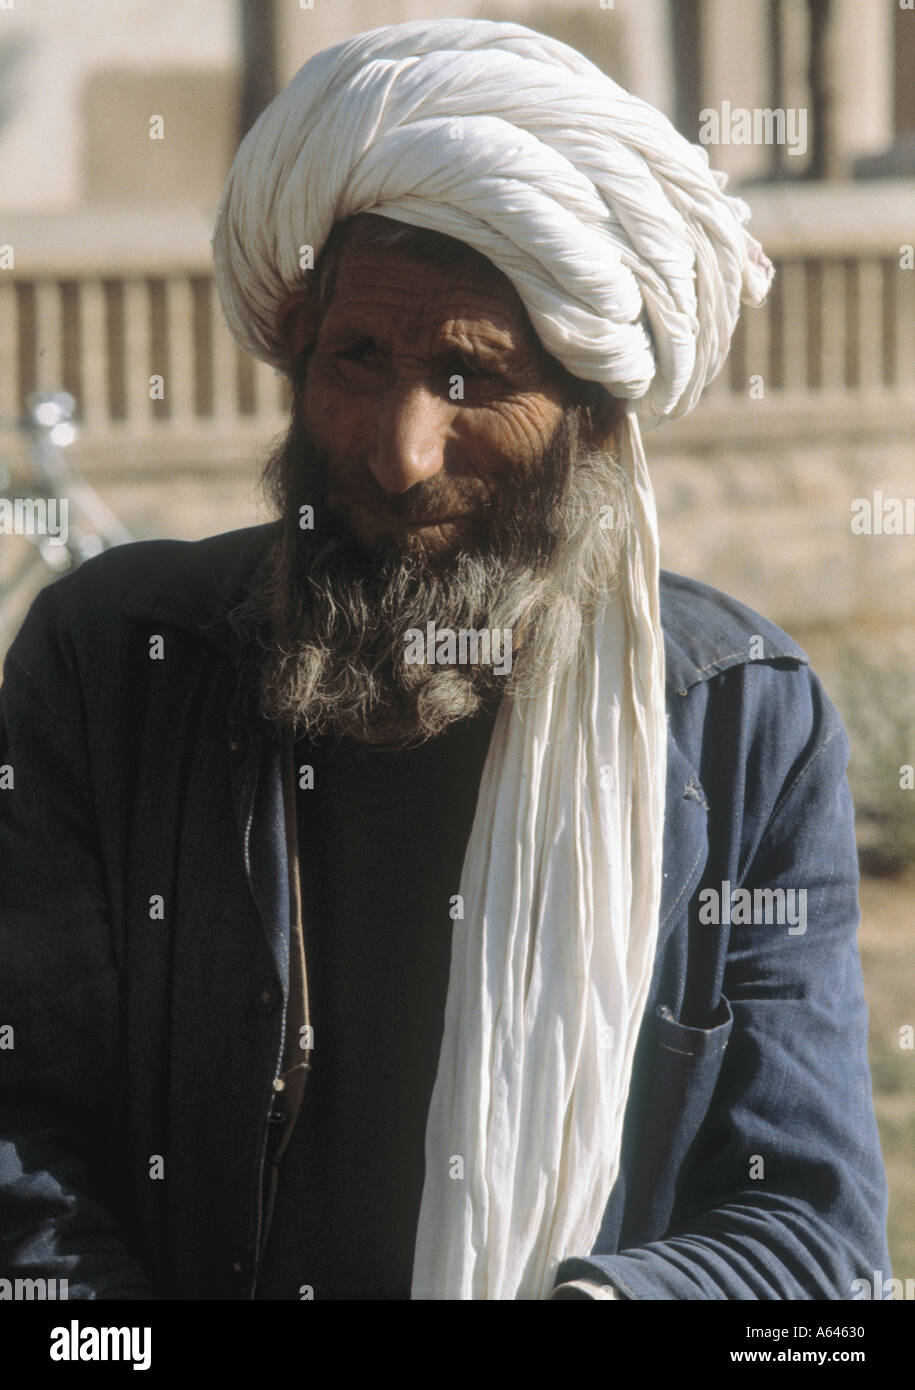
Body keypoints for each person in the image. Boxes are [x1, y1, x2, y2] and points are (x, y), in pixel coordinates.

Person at [0, 19, 889, 1301]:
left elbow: (809, 1235)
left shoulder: (741, 726)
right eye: (358, 360)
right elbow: (24, 1133)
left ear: (591, 419)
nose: (400, 450)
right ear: (298, 356)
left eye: (471, 376)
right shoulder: (114, 662)